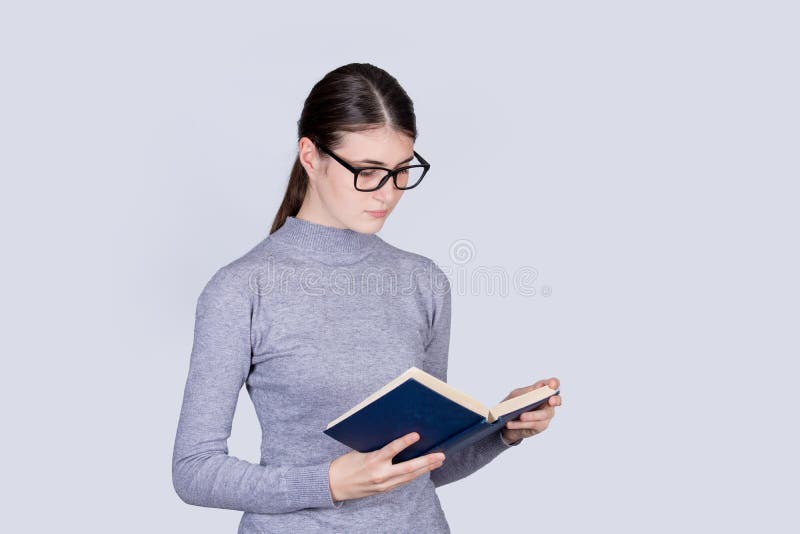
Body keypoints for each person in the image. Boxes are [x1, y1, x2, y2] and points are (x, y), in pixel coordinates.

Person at [171, 62, 561, 534]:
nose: (388, 193)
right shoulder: (241, 289)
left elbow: (421, 465)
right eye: (368, 171)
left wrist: (502, 432)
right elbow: (193, 471)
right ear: (310, 156)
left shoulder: (423, 281)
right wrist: (328, 483)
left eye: (401, 171)